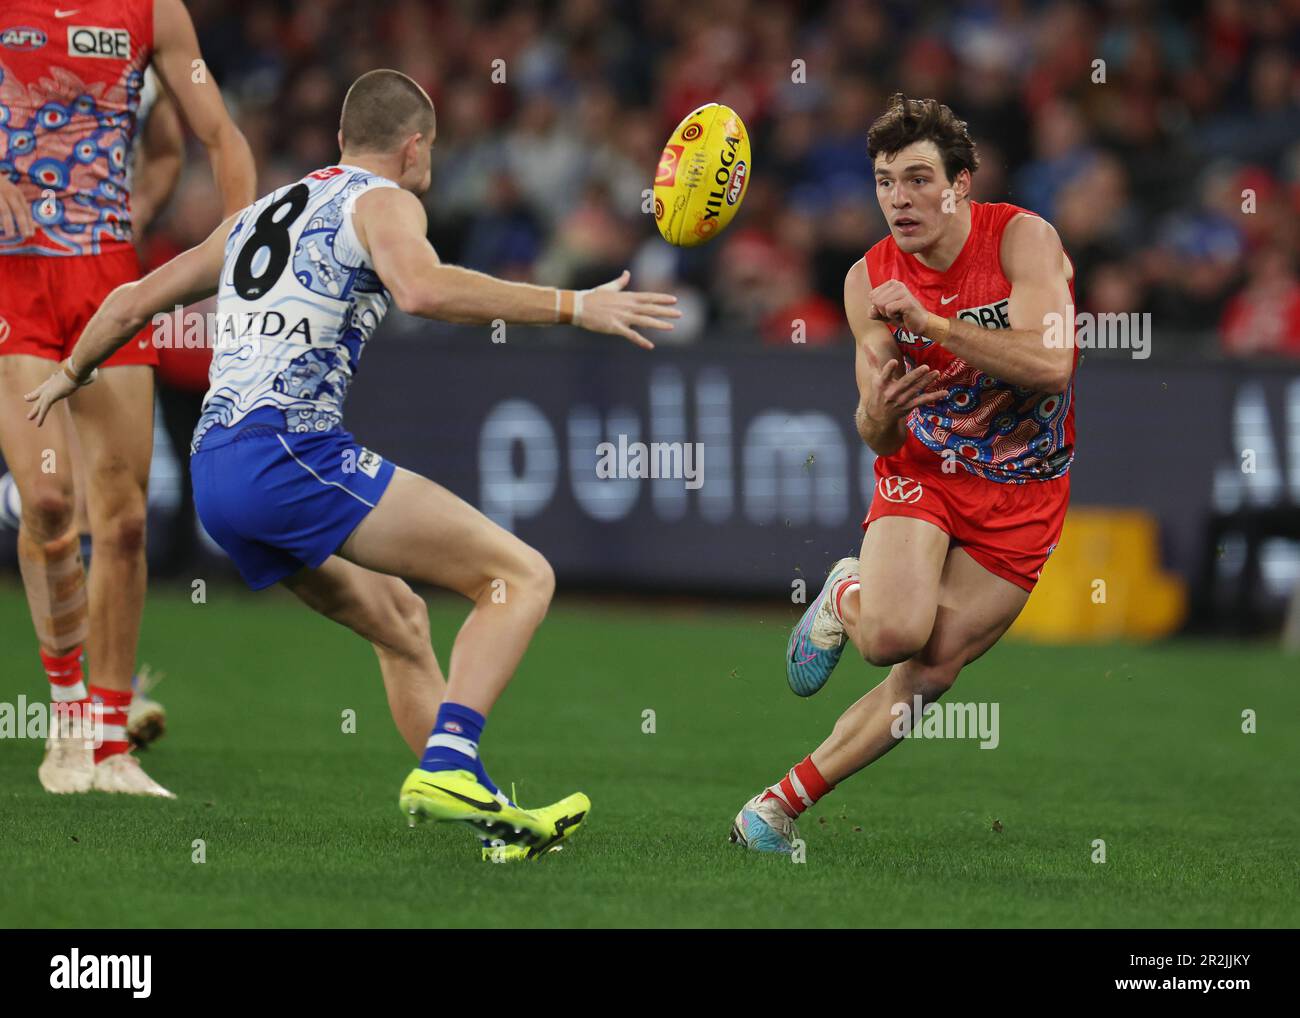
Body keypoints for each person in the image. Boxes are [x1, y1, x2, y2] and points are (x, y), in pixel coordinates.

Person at [25, 69, 680, 859]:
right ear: (416, 147)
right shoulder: (385, 201)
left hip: (216, 472)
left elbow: (132, 301)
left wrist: (69, 373)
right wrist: (575, 305)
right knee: (520, 577)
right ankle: (449, 763)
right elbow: (423, 290)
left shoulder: (259, 213)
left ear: (341, 139)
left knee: (401, 621)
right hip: (288, 452)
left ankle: (493, 823)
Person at [730, 94, 1078, 853]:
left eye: (919, 179)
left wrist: (934, 325)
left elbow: (1053, 363)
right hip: (925, 468)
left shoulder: (1022, 240)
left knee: (934, 669)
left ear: (961, 185)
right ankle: (848, 594)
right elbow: (874, 426)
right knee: (891, 638)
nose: (900, 199)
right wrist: (880, 413)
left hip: (1026, 484)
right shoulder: (868, 280)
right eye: (886, 181)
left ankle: (773, 810)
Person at [0, 0, 256, 796]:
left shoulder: (152, 11)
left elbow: (216, 134)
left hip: (106, 276)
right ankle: (67, 715)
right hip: (13, 275)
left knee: (125, 521)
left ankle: (111, 743)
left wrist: (241, 244)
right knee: (48, 501)